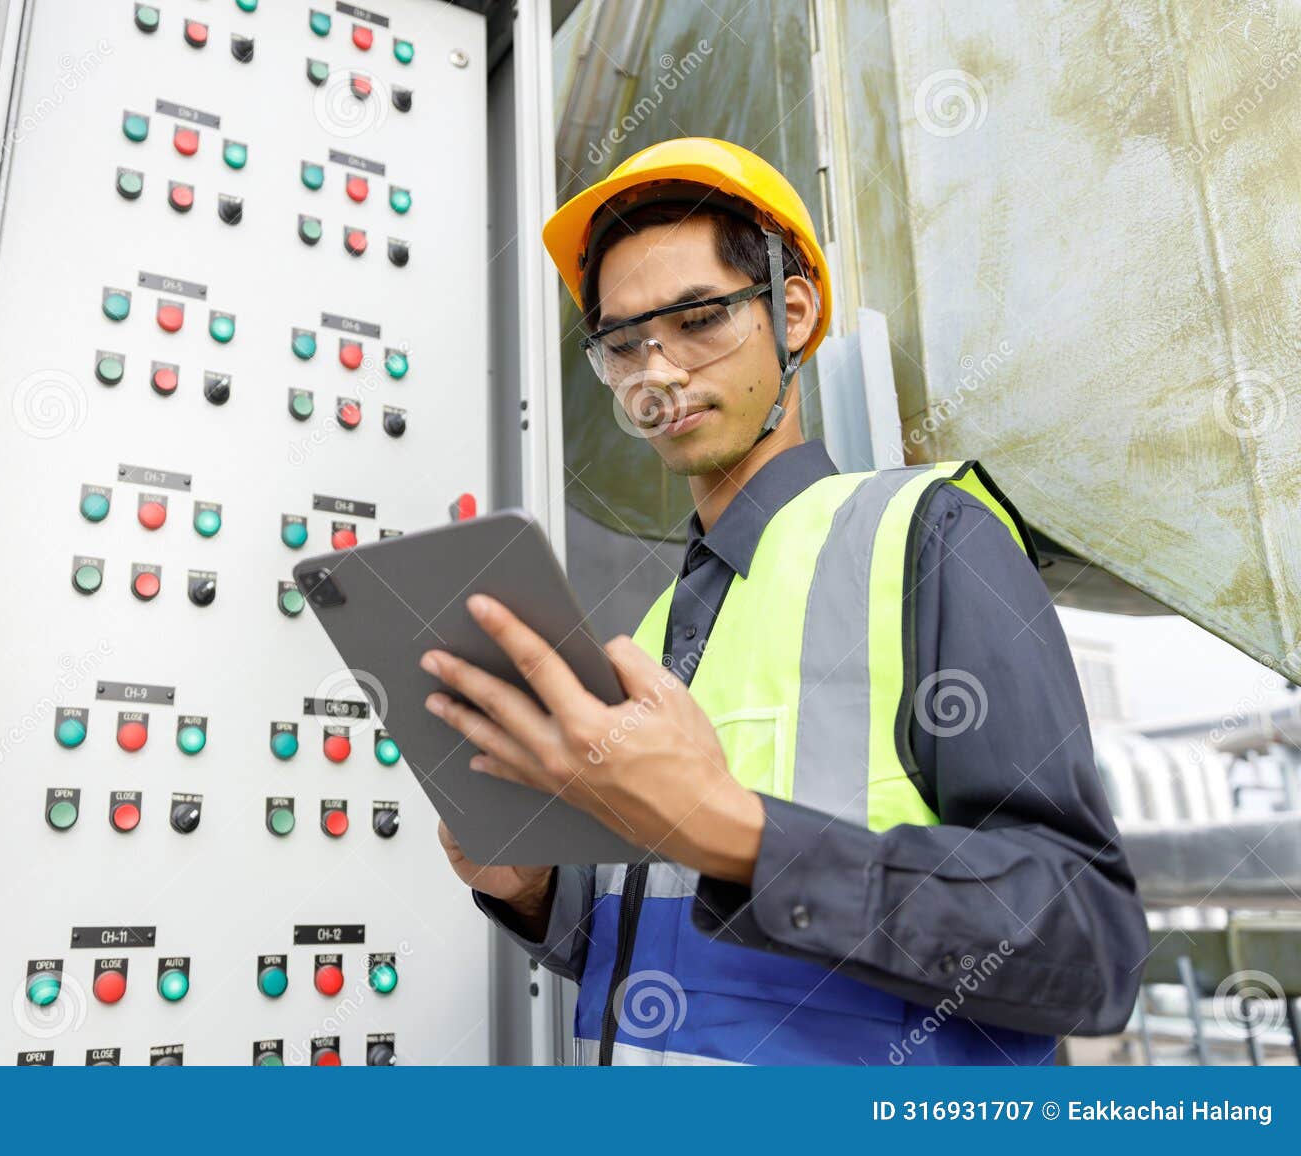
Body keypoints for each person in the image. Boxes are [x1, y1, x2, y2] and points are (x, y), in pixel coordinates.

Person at [418, 137, 1148, 1065]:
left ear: (791, 312)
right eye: (624, 343)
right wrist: (529, 895)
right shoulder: (651, 633)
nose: (659, 374)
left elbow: (1087, 945)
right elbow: (675, 961)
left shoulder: (927, 536)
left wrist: (733, 828)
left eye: (699, 320)